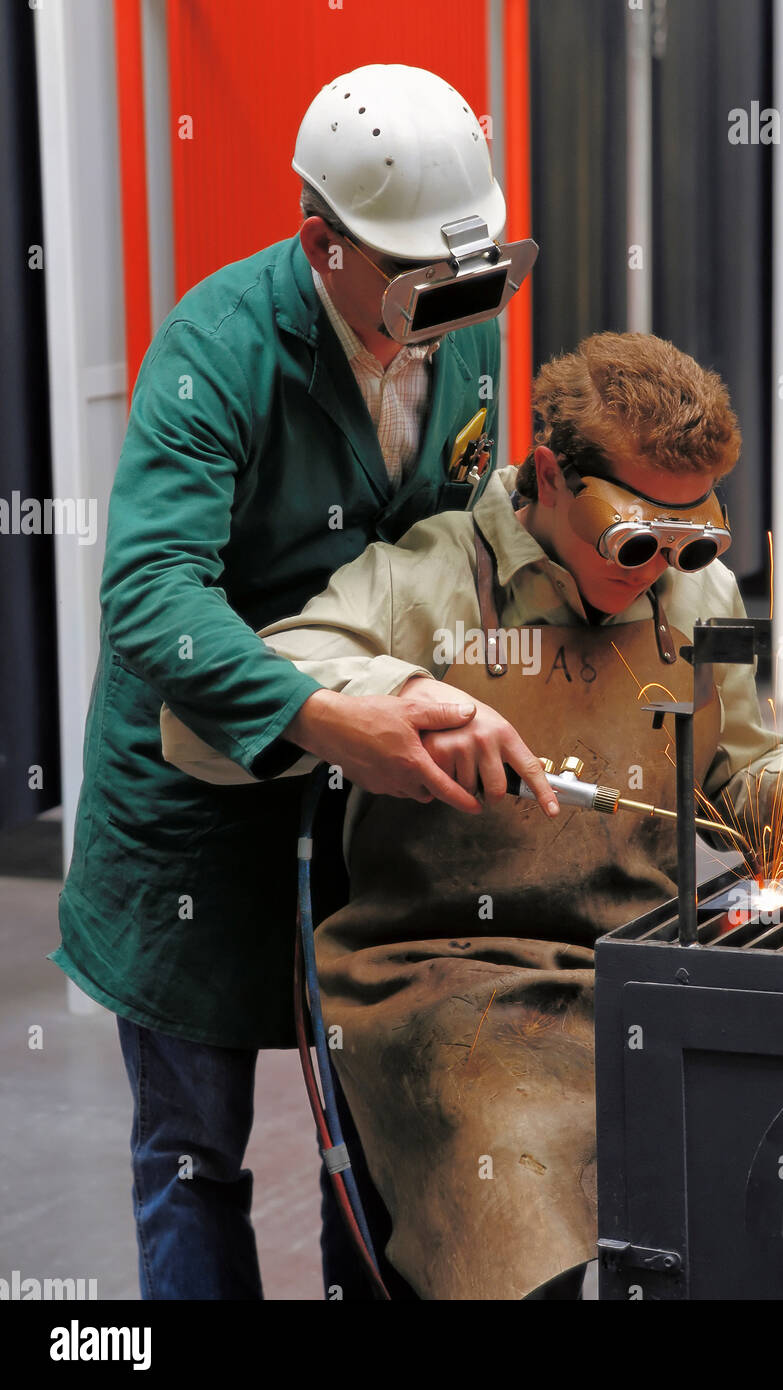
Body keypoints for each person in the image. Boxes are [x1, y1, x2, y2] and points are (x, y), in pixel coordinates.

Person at [162, 332, 783, 1299]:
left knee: (768, 1136)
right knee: (518, 1160)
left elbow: (732, 779)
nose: (654, 568)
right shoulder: (427, 577)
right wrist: (400, 694)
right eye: (632, 537)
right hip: (441, 980)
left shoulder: (694, 591)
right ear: (553, 476)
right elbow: (249, 686)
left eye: (684, 538)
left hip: (638, 966)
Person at [51, 62, 546, 1301]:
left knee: (372, 1142)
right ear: (322, 244)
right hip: (197, 806)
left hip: (373, 796)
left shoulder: (460, 318)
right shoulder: (216, 351)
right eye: (423, 279)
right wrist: (325, 720)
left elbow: (460, 521)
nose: (459, 306)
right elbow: (151, 596)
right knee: (194, 1157)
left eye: (475, 273)